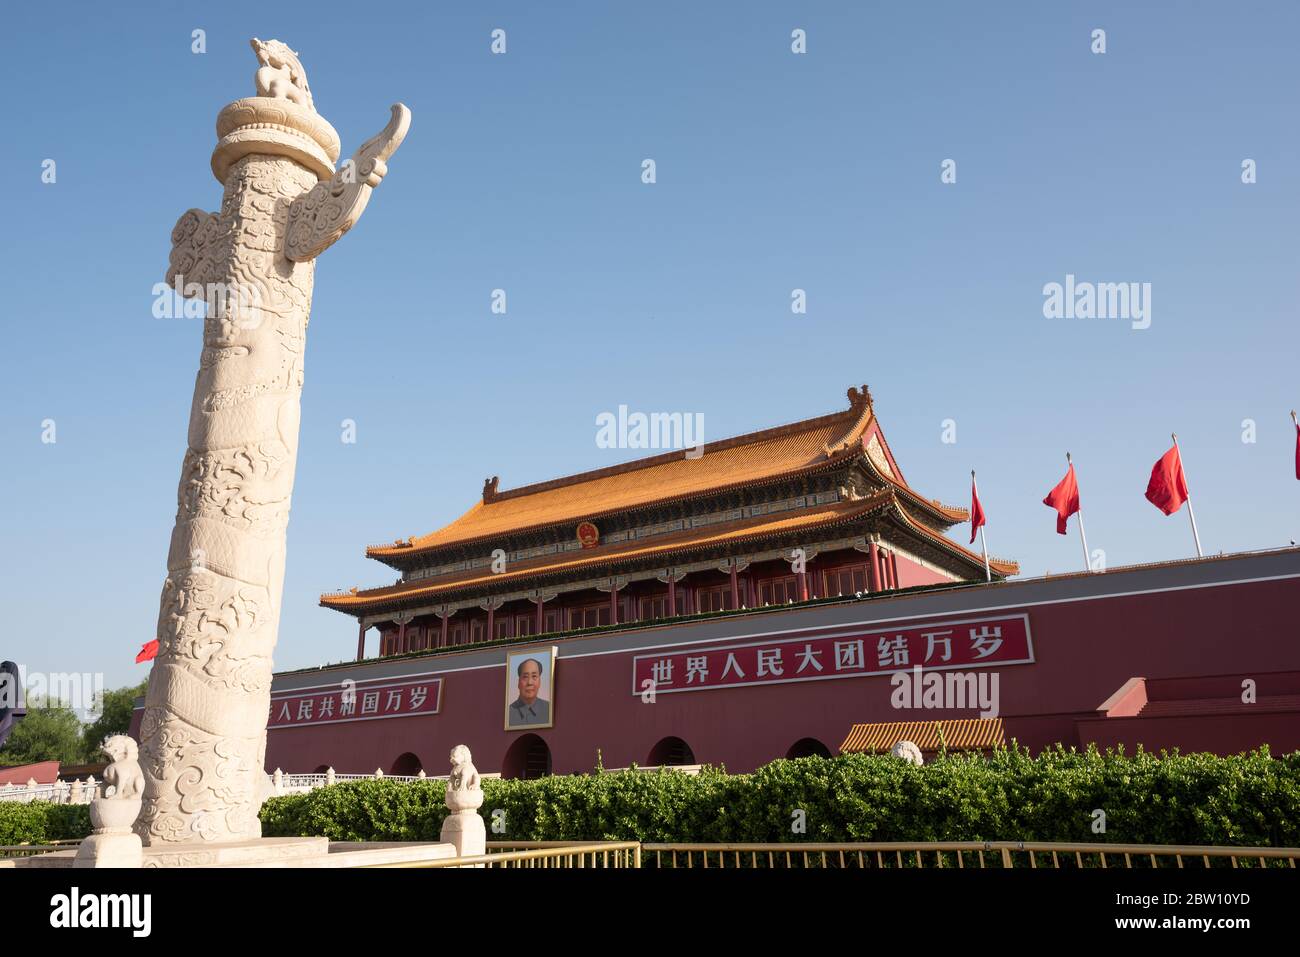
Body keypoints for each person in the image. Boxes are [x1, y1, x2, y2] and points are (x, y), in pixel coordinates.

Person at [508, 656, 550, 726]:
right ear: (518, 682)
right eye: (525, 677)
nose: (530, 682)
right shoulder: (508, 713)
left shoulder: (549, 709)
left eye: (534, 676)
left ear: (540, 682)